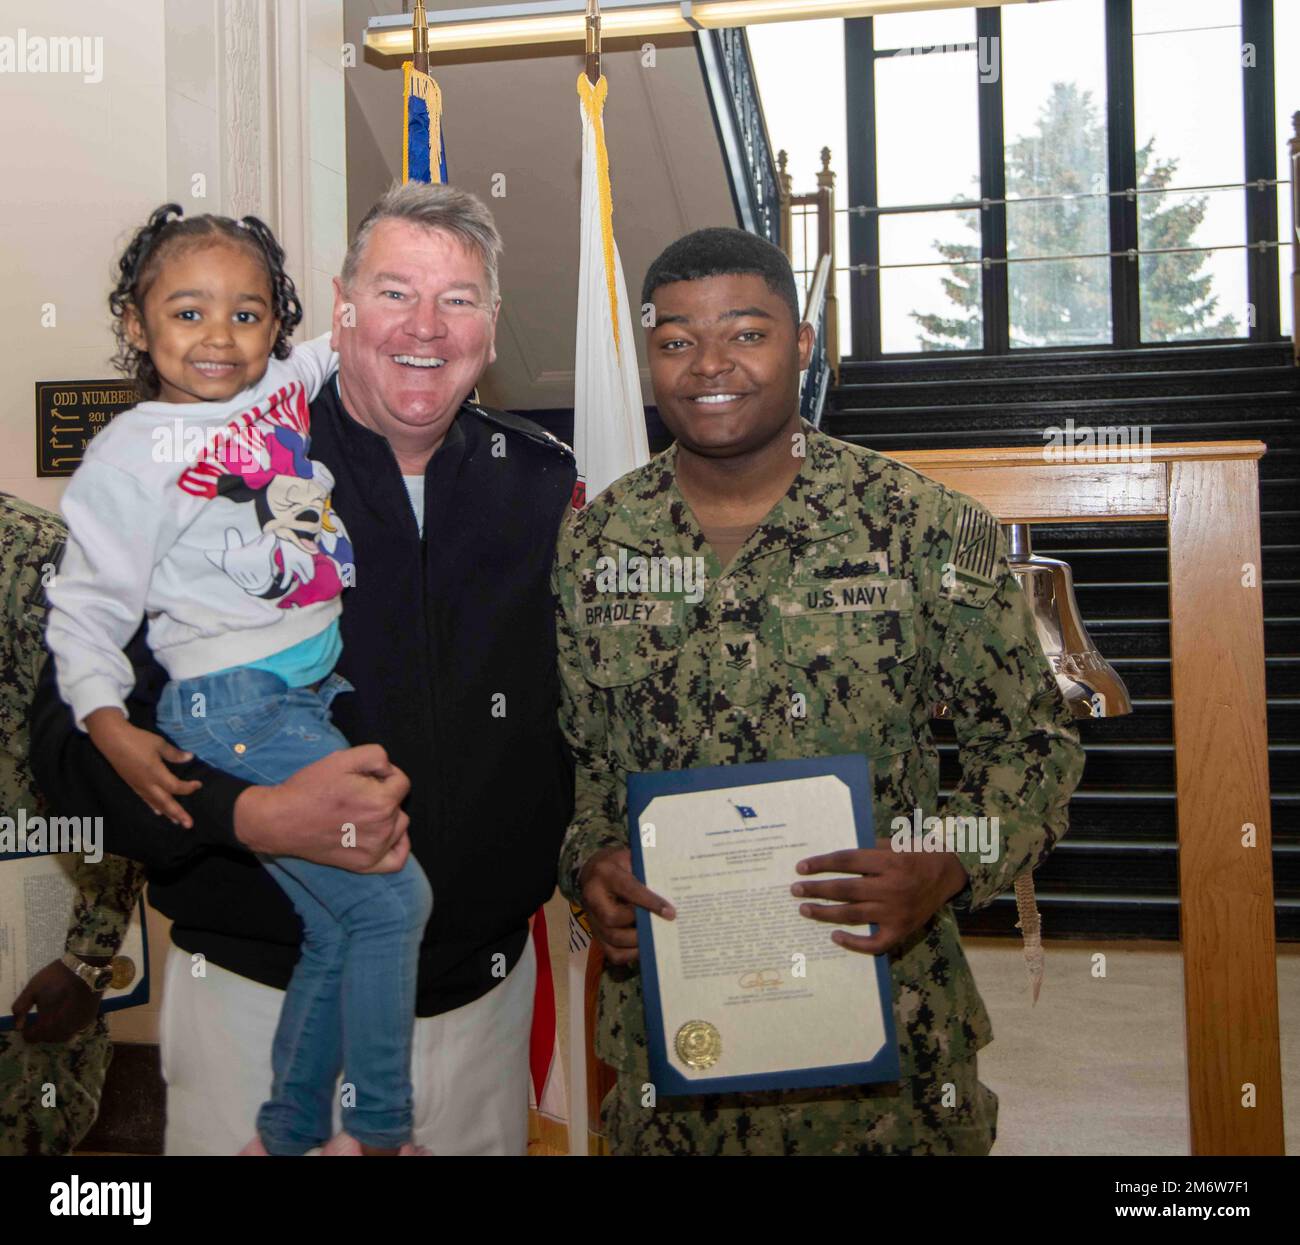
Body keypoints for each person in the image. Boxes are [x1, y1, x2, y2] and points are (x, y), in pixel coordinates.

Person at [31, 182, 576, 1156]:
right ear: (340, 307)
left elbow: (577, 717)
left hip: (484, 1010)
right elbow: (66, 753)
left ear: (493, 325)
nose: (425, 326)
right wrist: (244, 815)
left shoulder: (539, 482)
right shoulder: (211, 455)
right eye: (395, 291)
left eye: (459, 299)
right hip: (257, 1011)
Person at [554, 227, 1085, 1155]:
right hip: (674, 1063)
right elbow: (590, 765)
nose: (709, 365)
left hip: (886, 1058)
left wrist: (947, 864)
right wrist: (590, 866)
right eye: (676, 340)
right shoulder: (597, 545)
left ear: (801, 344)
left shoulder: (925, 527)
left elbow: (1032, 748)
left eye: (746, 333)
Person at [42, 203, 432, 1156]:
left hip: (301, 694)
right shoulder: (129, 454)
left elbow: (352, 326)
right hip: (235, 706)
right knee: (393, 898)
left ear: (275, 323)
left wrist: (398, 253)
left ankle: (289, 1131)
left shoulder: (283, 388)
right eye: (187, 312)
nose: (219, 335)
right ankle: (380, 1129)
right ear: (137, 326)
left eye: (248, 312)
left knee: (342, 926)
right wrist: (107, 721)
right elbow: (86, 606)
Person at [0, 492, 144, 1156]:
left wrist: (89, 960)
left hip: (33, 932)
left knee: (30, 1121)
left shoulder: (43, 557)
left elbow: (113, 771)